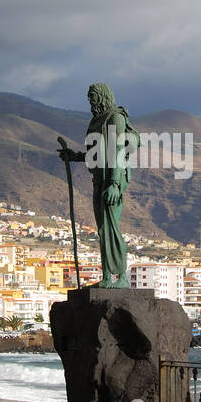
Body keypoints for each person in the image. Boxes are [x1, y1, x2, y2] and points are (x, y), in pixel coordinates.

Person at [56, 82, 137, 287]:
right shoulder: (97, 121)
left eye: (93, 97)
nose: (90, 102)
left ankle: (122, 278)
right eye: (88, 98)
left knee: (111, 227)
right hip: (99, 179)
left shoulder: (115, 118)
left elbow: (117, 152)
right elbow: (97, 155)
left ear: (102, 97)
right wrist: (74, 156)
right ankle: (107, 277)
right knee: (102, 229)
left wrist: (114, 184)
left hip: (113, 181)